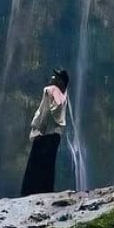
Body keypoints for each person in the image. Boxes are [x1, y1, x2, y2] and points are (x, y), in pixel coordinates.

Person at [20, 68, 69, 197]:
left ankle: (30, 191)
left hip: (45, 133)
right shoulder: (63, 94)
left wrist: (39, 130)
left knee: (36, 164)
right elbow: (57, 108)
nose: (53, 77)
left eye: (56, 76)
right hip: (55, 134)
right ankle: (45, 191)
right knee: (48, 165)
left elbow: (46, 112)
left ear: (60, 81)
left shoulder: (51, 90)